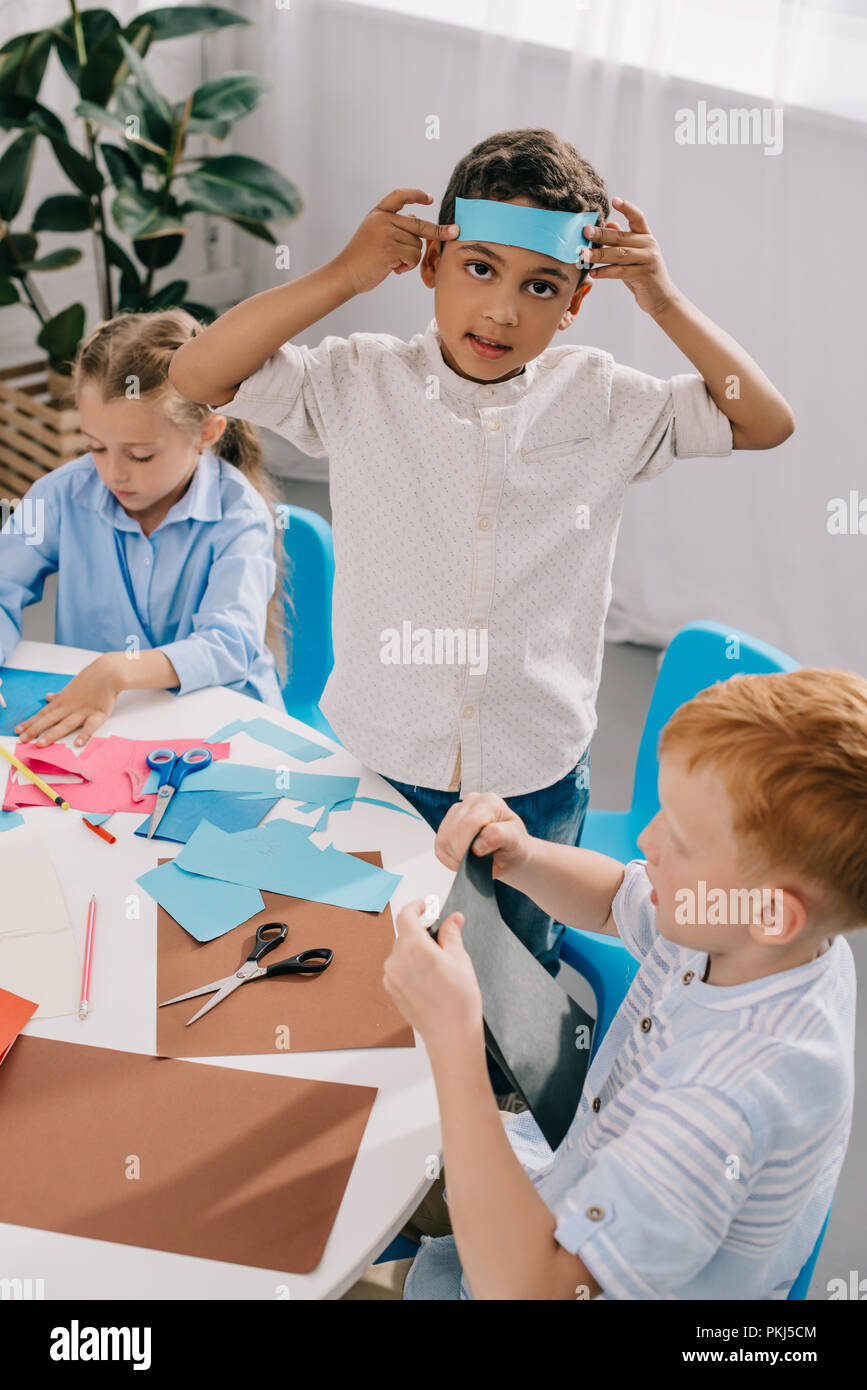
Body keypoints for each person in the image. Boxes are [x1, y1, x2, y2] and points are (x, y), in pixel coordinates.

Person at [167, 126, 794, 1088]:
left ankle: (485, 1139)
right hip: (380, 757)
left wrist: (660, 295)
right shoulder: (360, 378)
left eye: (540, 285)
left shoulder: (610, 402)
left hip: (532, 774)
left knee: (506, 995)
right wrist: (343, 272)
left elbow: (762, 419)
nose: (500, 308)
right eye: (478, 268)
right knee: (369, 976)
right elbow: (197, 375)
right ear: (432, 263)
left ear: (578, 301)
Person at [343, 668, 862, 1299]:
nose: (646, 838)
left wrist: (456, 1043)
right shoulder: (757, 935)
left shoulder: (719, 1110)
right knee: (351, 1141)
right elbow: (618, 897)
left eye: (682, 839)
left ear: (776, 913)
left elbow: (536, 1289)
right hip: (574, 1170)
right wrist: (524, 855)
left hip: (544, 1274)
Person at [0, 309, 286, 746]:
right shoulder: (56, 495)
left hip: (224, 724)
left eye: (139, 455)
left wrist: (119, 670)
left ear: (206, 432)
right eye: (96, 447)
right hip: (104, 724)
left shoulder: (239, 513)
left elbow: (229, 644)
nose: (113, 474)